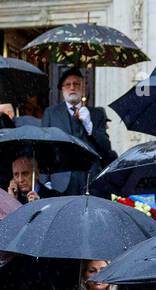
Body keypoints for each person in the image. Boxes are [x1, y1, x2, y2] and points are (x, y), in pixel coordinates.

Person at [41, 67, 116, 195]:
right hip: (61, 181)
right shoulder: (51, 113)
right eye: (68, 84)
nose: (72, 88)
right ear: (62, 89)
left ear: (83, 88)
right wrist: (45, 180)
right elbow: (44, 147)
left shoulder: (97, 114)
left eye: (76, 84)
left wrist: (89, 125)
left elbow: (106, 148)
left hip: (90, 180)